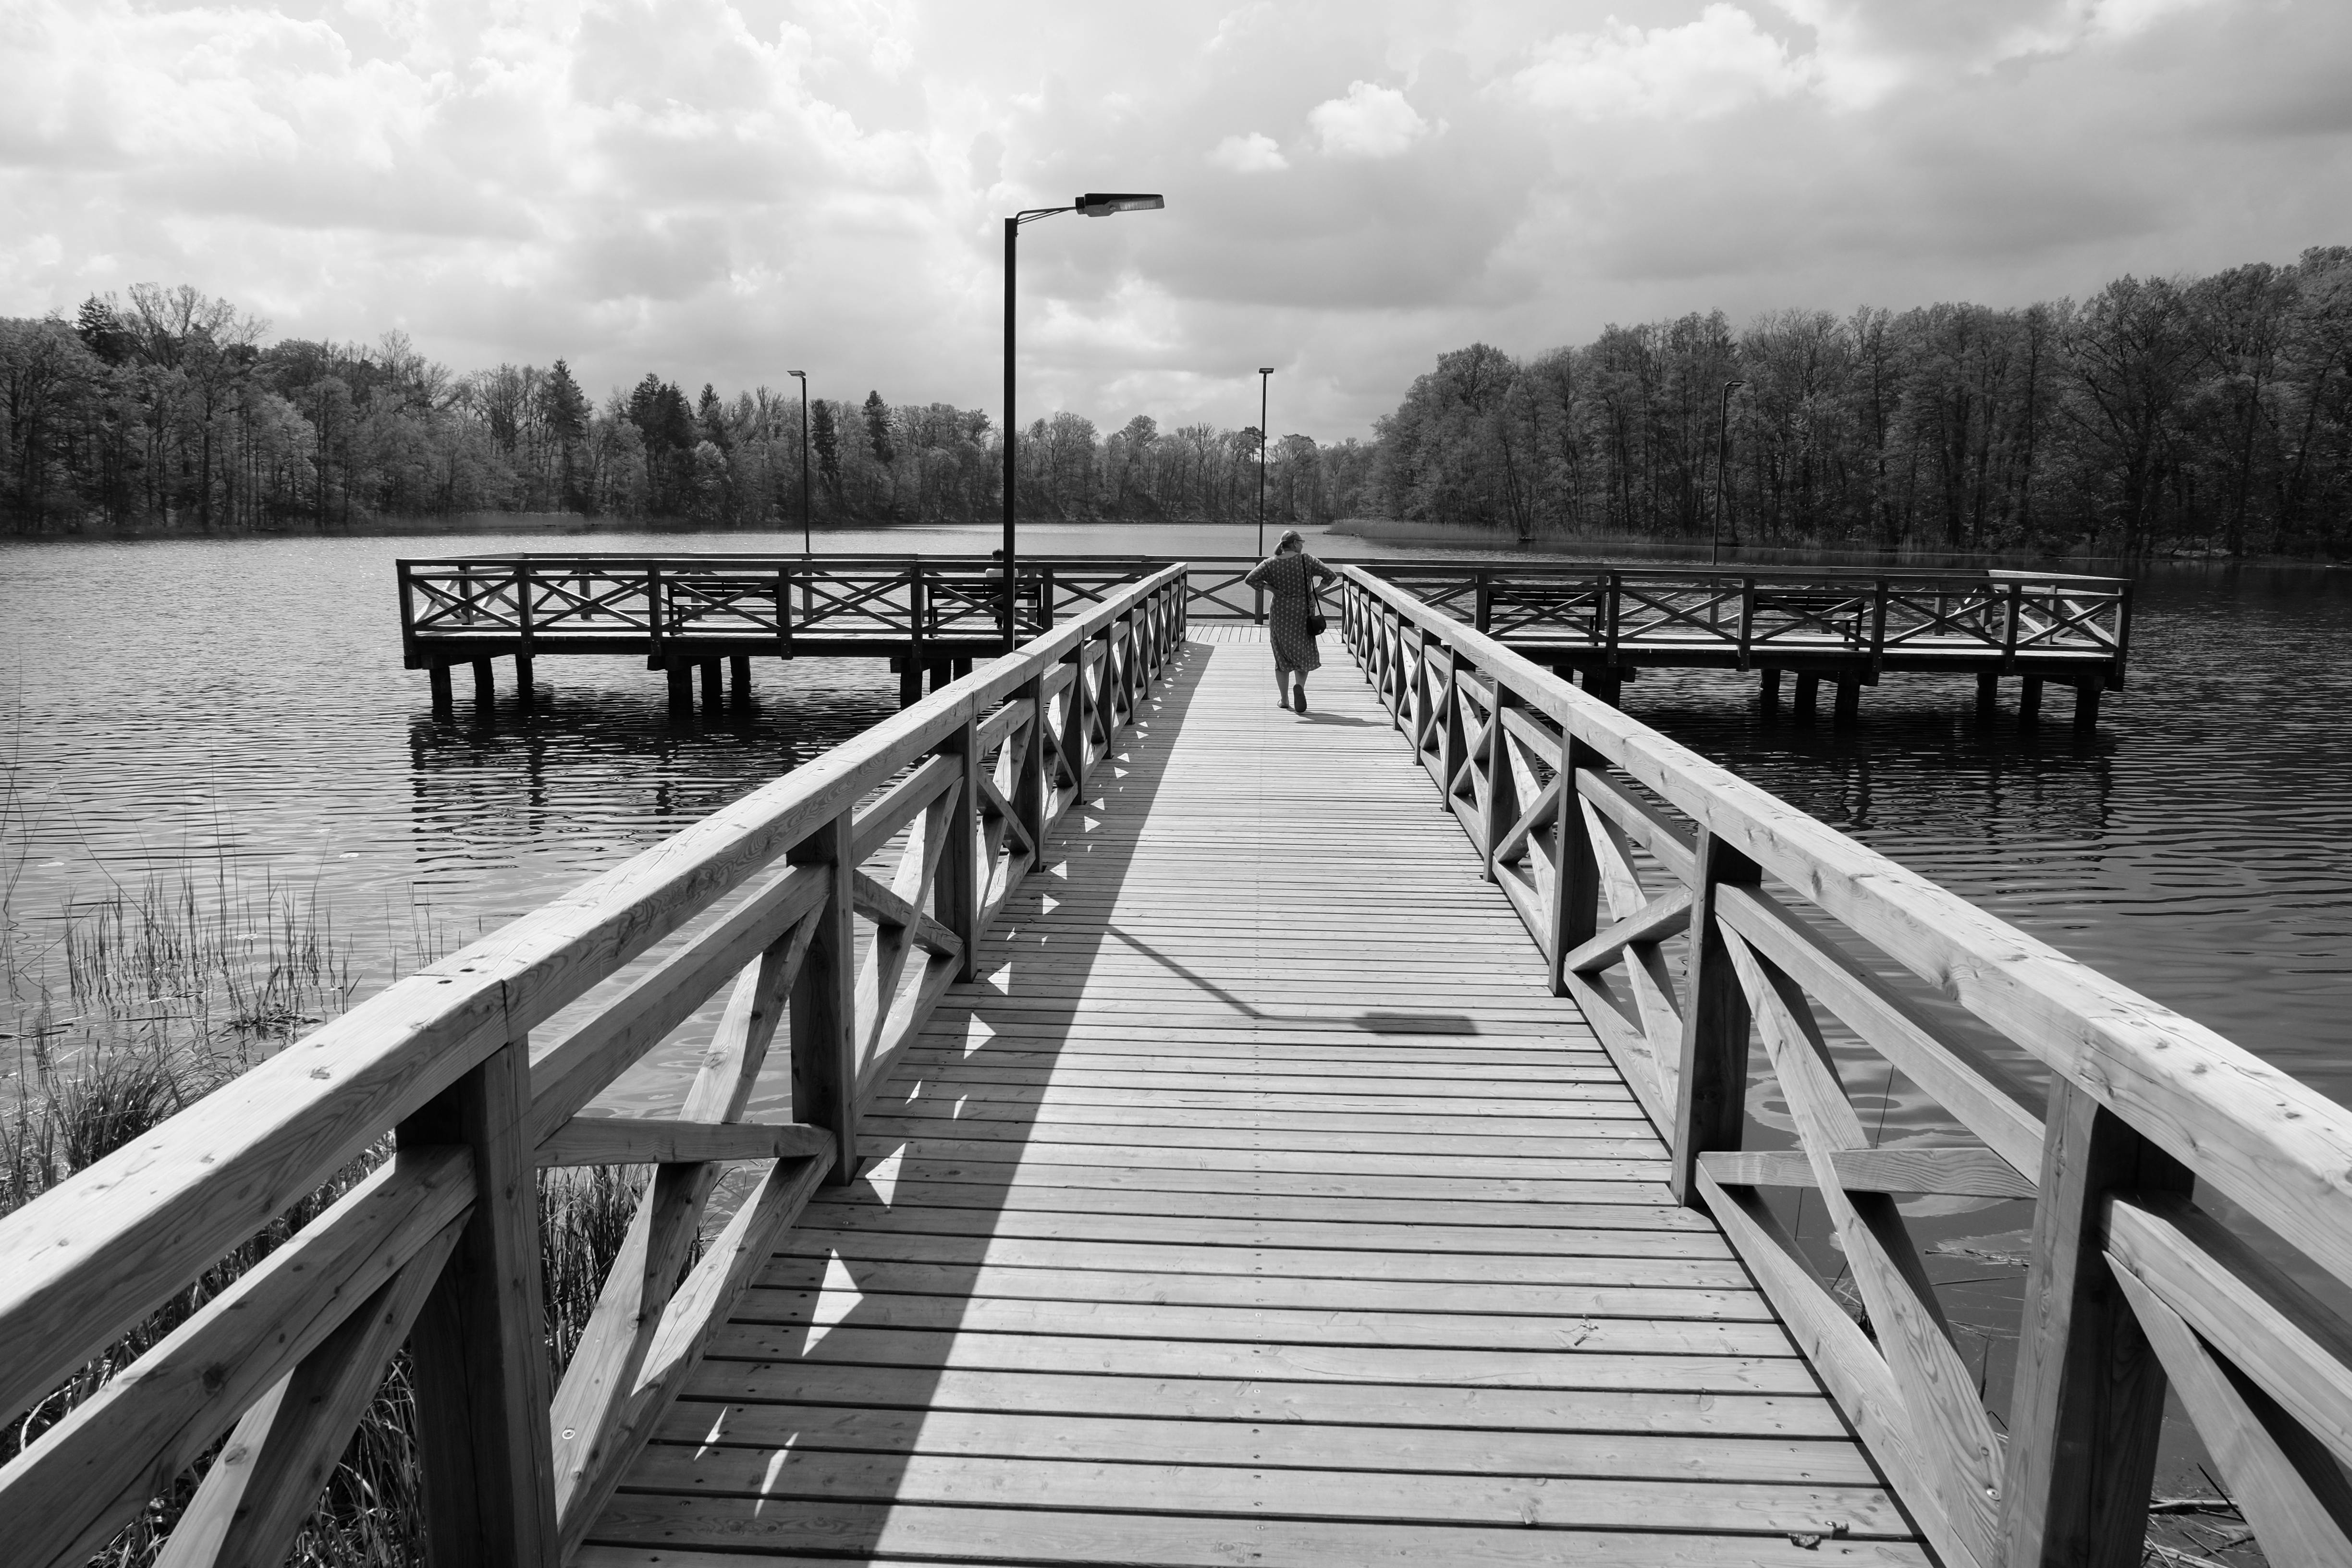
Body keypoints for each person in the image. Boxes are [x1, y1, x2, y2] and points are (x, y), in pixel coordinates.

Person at [1243, 529, 1338, 713]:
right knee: (1303, 651)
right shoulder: (1307, 560)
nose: (1303, 545)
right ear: (1294, 544)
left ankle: (1284, 700)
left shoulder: (1270, 563)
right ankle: (1300, 687)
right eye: (1301, 542)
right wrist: (1314, 592)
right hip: (1302, 612)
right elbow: (1331, 575)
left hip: (1280, 613)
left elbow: (1250, 579)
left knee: (1282, 655)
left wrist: (1270, 588)